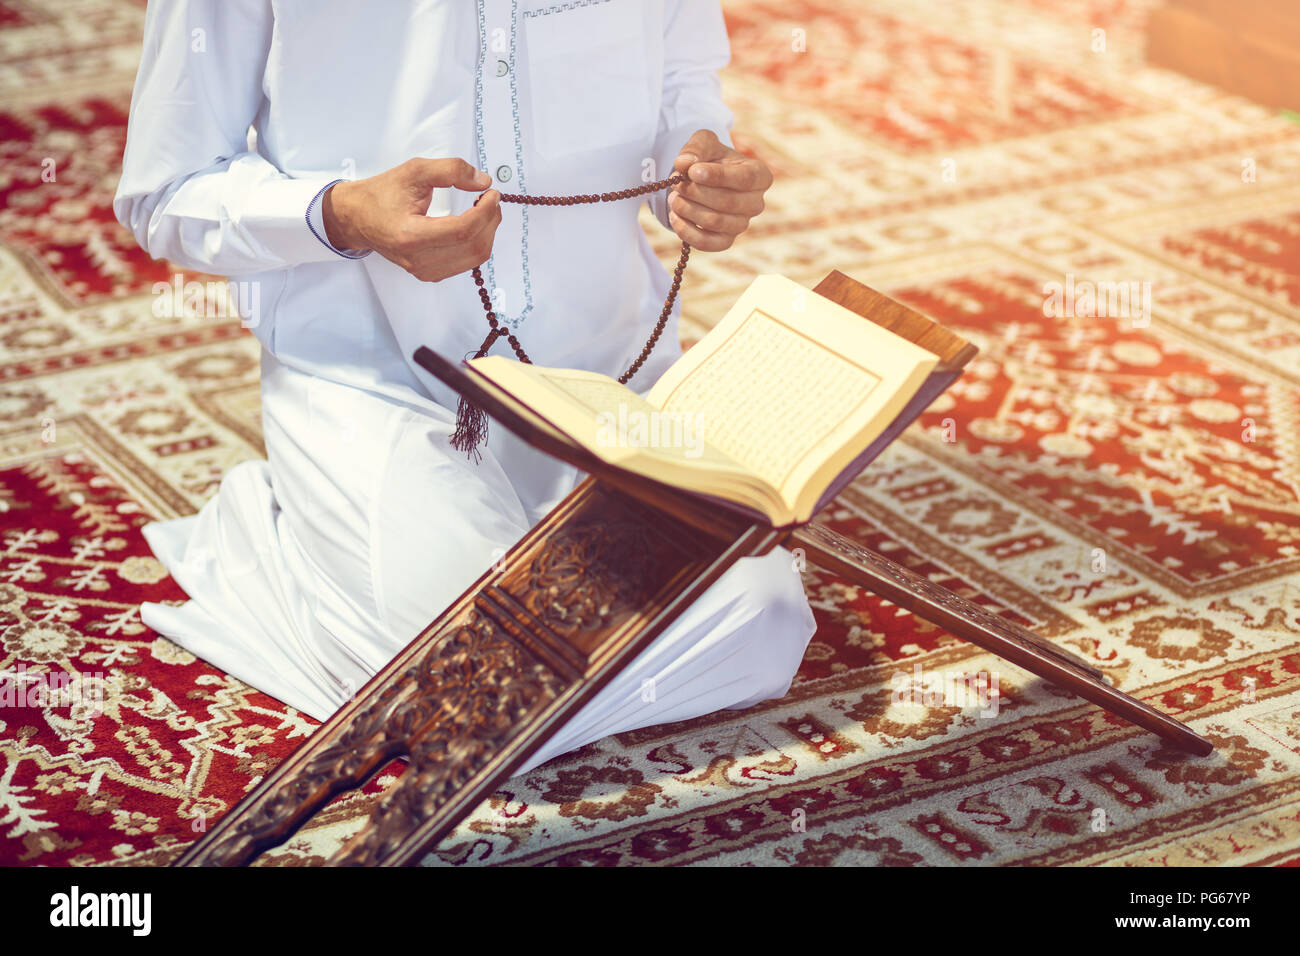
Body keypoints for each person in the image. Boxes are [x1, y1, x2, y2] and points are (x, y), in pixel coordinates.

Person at [114, 0, 816, 776]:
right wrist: (340, 215)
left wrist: (697, 174)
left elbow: (682, 92)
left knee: (769, 623)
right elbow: (166, 191)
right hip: (374, 373)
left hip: (603, 377)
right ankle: (281, 548)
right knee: (479, 659)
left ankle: (483, 707)